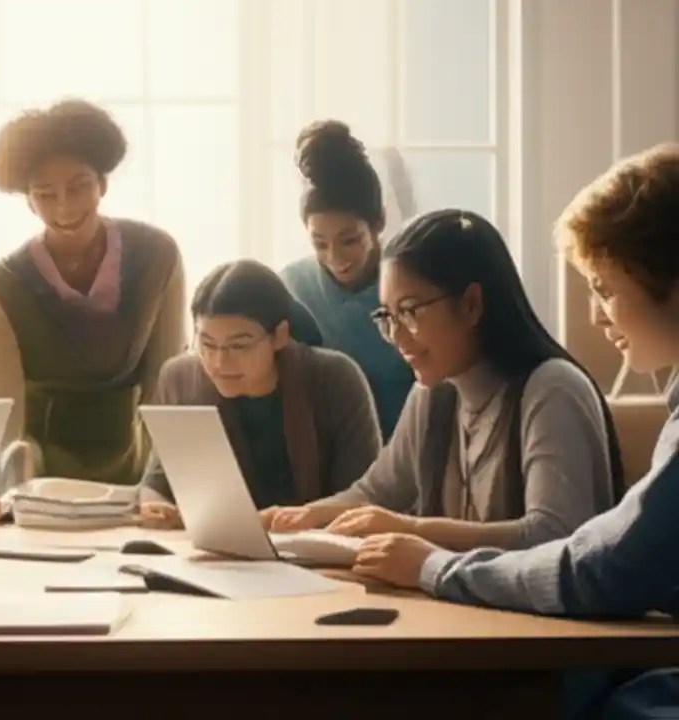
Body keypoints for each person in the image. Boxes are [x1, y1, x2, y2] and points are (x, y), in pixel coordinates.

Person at [351, 143, 679, 720]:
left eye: (605, 288)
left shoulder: (550, 386)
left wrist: (433, 565)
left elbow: (602, 567)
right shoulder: (433, 393)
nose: (595, 315)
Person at [266, 209, 625, 553]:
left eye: (409, 311)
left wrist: (412, 530)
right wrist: (297, 519)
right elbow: (377, 493)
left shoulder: (552, 389)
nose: (396, 337)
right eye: (388, 316)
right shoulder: (433, 392)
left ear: (471, 304)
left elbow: (555, 535)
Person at [0, 98, 186, 489]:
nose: (65, 208)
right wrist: (16, 494)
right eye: (45, 194)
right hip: (38, 472)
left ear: (102, 184)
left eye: (79, 187)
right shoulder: (0, 288)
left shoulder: (157, 256)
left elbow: (165, 384)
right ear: (28, 201)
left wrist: (161, 488)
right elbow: (6, 427)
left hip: (137, 466)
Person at [138, 260, 381, 529]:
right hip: (212, 543)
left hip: (314, 542)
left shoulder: (334, 379)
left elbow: (364, 496)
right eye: (207, 344)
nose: (219, 363)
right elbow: (157, 481)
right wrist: (155, 506)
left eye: (239, 346)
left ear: (280, 335)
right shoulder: (181, 378)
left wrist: (291, 520)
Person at [280, 120, 415, 440]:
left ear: (379, 223)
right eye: (319, 243)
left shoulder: (414, 285)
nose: (335, 257)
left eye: (349, 240)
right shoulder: (292, 287)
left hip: (406, 451)